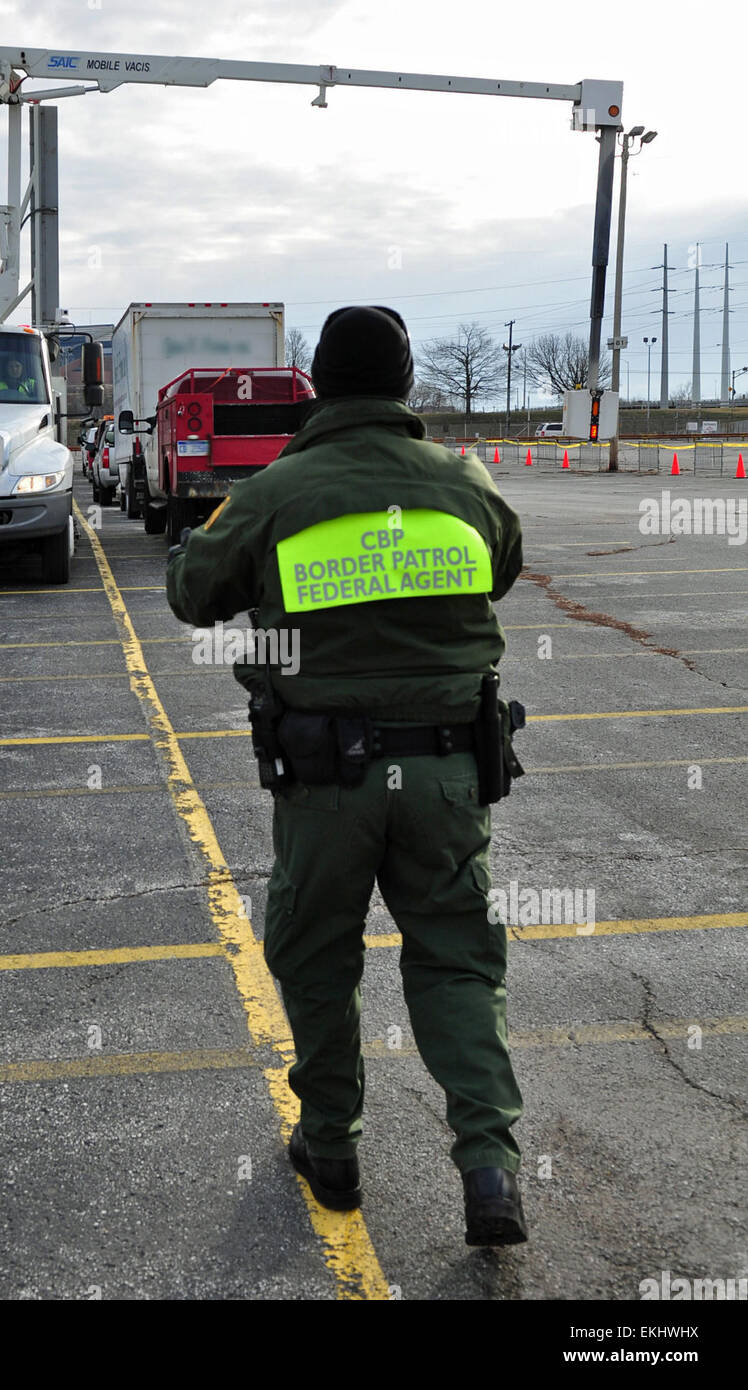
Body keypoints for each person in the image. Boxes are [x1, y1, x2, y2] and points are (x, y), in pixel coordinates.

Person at [165, 306, 528, 1246]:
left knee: (316, 953)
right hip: (449, 774)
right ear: (408, 386)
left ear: (318, 385)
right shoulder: (463, 481)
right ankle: (488, 1167)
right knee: (456, 957)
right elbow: (504, 565)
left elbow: (195, 594)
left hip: (327, 782)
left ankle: (331, 1146)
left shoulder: (279, 488)